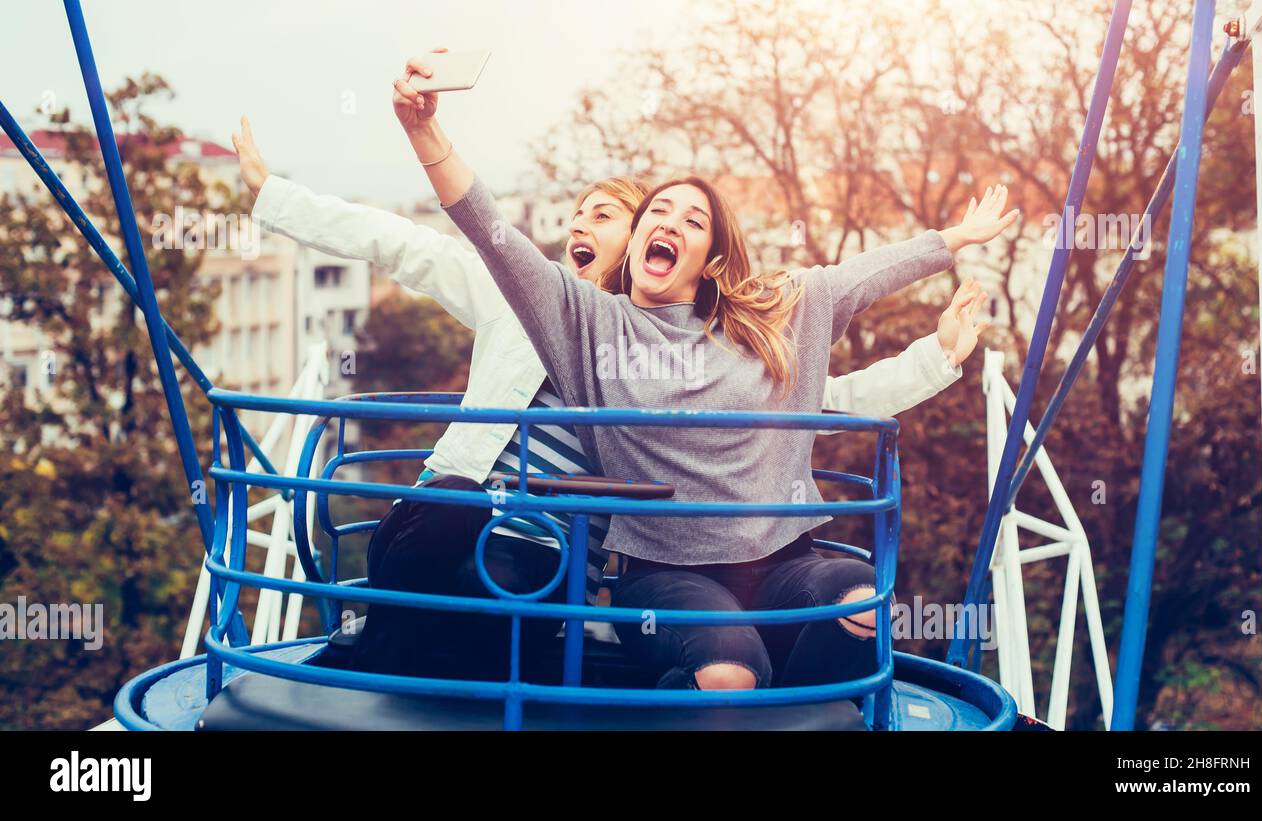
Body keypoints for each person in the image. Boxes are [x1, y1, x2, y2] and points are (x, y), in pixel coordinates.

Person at [228, 75, 991, 681]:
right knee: (457, 520)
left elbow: (818, 399)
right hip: (461, 510)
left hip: (548, 551)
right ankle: (375, 650)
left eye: (604, 216)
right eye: (580, 214)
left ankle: (405, 651)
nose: (579, 229)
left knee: (509, 610)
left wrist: (940, 352)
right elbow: (421, 240)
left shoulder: (694, 344)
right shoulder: (544, 306)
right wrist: (286, 191)